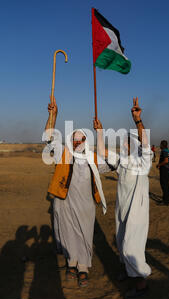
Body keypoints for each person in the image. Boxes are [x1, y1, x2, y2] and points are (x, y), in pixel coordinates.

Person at [45, 96, 111, 288]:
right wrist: (53, 115)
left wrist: (100, 133)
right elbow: (49, 138)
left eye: (80, 139)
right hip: (65, 202)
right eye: (74, 140)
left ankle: (83, 267)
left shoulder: (93, 158)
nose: (77, 142)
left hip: (86, 205)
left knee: (85, 233)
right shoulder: (63, 153)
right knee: (68, 233)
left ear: (85, 141)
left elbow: (110, 163)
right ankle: (71, 264)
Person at [96, 97, 152, 298]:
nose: (125, 144)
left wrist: (137, 120)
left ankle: (141, 286)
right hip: (123, 207)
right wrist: (100, 132)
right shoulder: (122, 161)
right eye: (125, 141)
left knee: (131, 244)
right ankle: (128, 273)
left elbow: (146, 143)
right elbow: (102, 152)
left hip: (137, 209)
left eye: (129, 141)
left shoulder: (143, 161)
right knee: (121, 240)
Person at [156, 140, 169, 206]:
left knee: (164, 185)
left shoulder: (164, 151)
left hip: (164, 170)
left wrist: (159, 165)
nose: (160, 146)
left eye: (160, 144)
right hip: (168, 169)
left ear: (162, 145)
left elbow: (166, 160)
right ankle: (166, 200)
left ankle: (165, 201)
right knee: (166, 185)